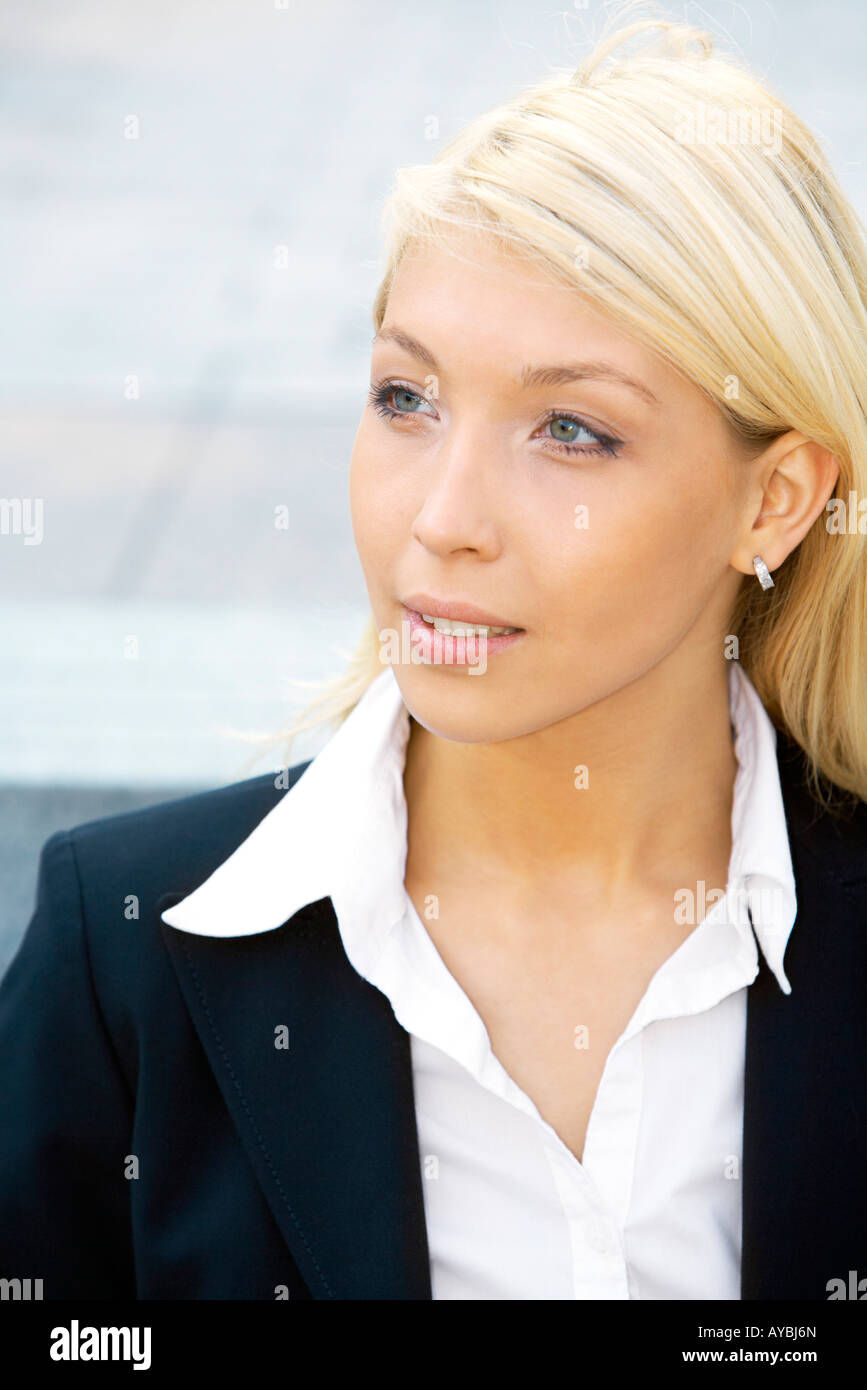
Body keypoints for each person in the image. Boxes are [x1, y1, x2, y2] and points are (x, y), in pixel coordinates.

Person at [1, 12, 865, 1301]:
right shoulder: (123, 949)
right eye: (406, 399)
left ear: (778, 499)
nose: (442, 519)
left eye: (570, 430)